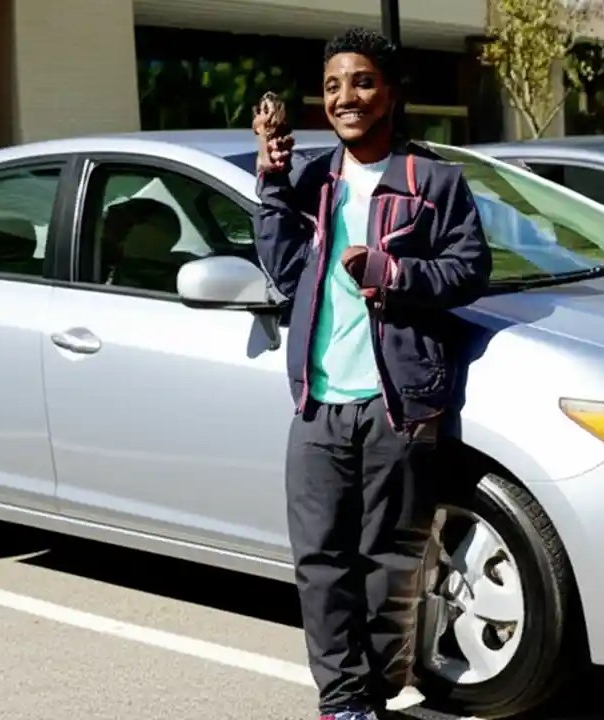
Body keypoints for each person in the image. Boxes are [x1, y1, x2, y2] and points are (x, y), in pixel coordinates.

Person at [251, 27, 492, 720]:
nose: (344, 97)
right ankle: (343, 700)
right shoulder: (311, 178)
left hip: (399, 403)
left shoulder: (434, 179)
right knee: (320, 563)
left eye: (360, 82)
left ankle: (379, 689)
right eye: (331, 86)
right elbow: (288, 268)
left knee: (389, 563)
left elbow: (469, 270)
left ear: (391, 93)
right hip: (318, 402)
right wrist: (270, 179)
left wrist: (391, 273)